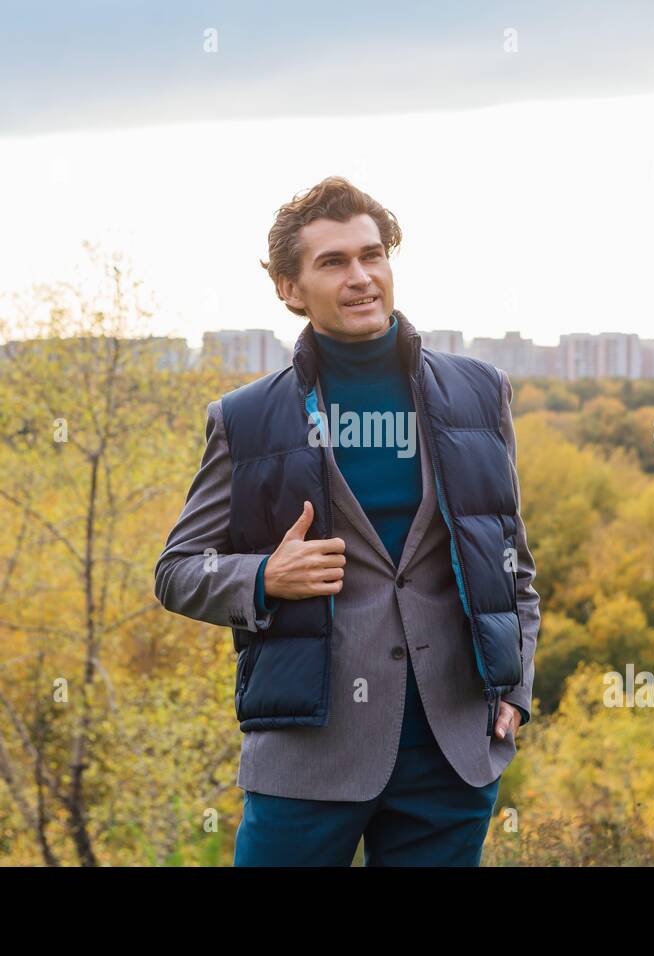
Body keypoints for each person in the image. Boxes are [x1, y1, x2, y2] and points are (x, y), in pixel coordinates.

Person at [154, 176, 540, 866]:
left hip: (451, 760)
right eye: (333, 262)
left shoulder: (479, 392)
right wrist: (267, 575)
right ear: (289, 288)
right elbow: (178, 571)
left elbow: (513, 563)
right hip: (309, 755)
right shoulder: (245, 419)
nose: (361, 277)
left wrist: (514, 689)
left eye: (372, 255)